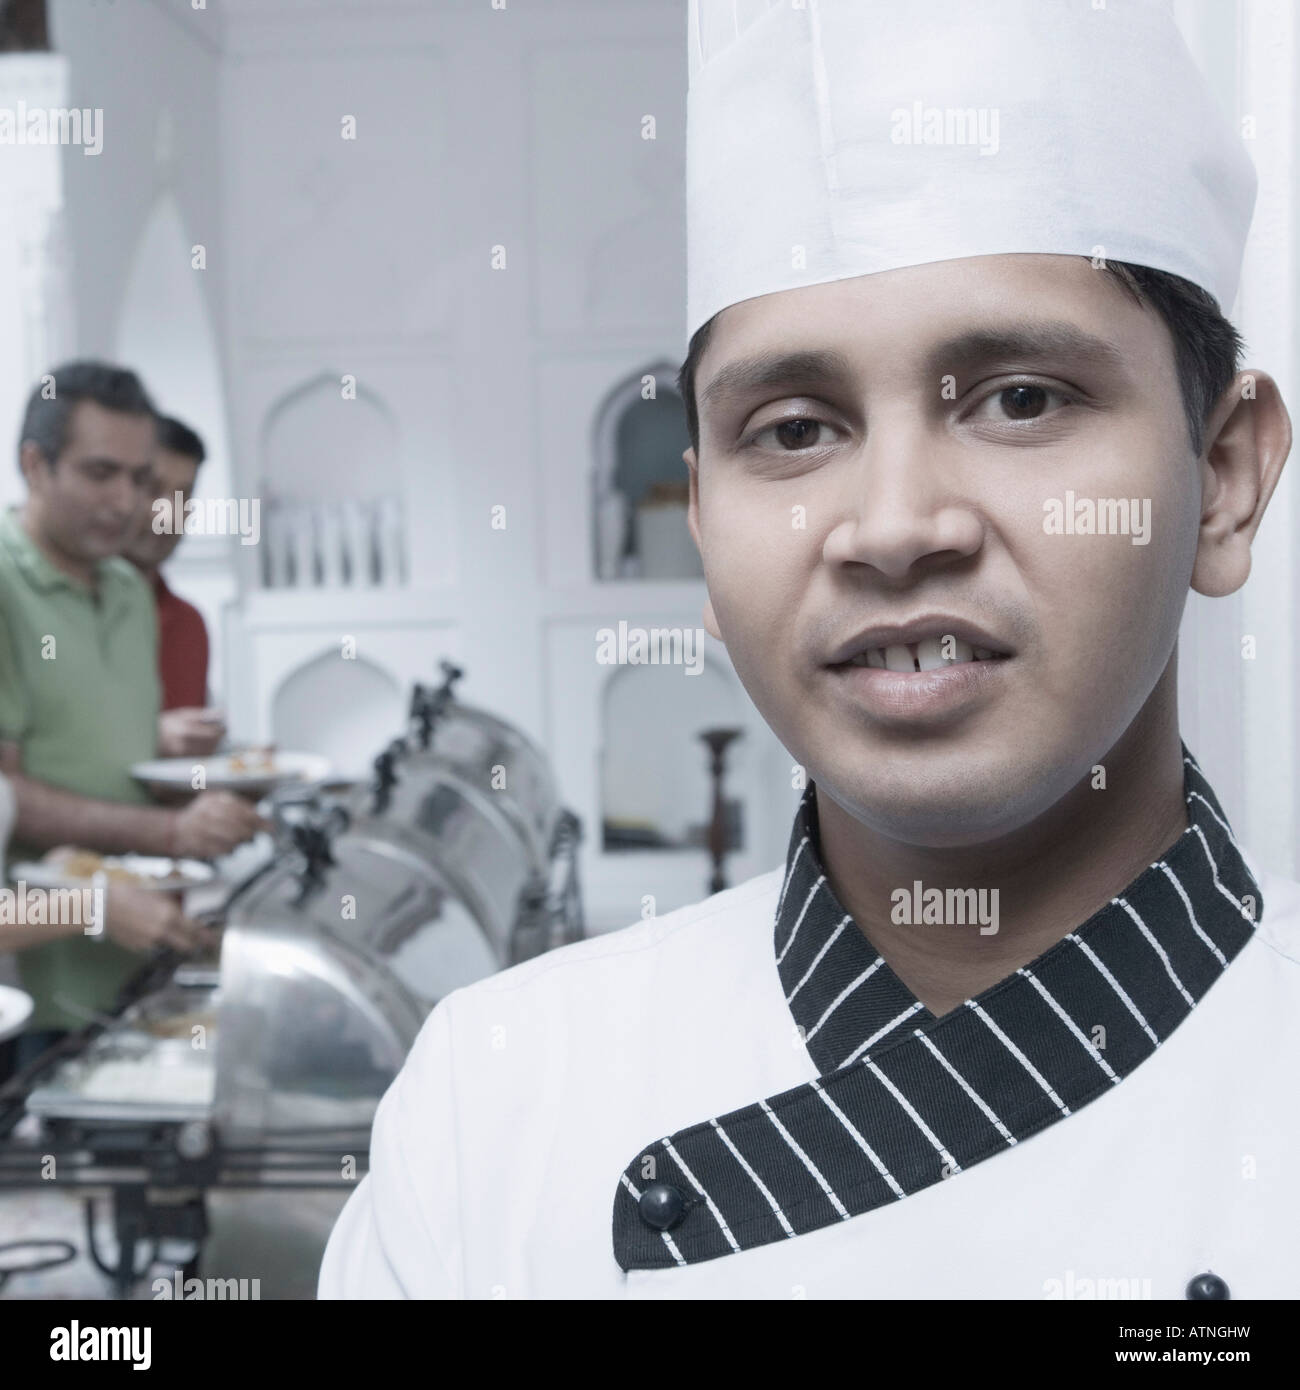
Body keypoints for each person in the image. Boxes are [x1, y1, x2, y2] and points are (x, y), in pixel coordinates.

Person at [319, 0, 1299, 1298]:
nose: (893, 528)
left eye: (1021, 398)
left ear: (1223, 479)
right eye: (791, 429)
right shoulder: (491, 1101)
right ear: (709, 528)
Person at [0, 361, 263, 1045]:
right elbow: (7, 792)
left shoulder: (126, 590)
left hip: (133, 960)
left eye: (140, 479)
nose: (126, 502)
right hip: (36, 983)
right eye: (99, 473)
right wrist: (168, 837)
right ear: (35, 465)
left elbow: (95, 746)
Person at [123, 413, 225, 756]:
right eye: (152, 489)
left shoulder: (189, 625)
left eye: (183, 495)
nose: (167, 513)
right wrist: (149, 739)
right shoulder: (60, 611)